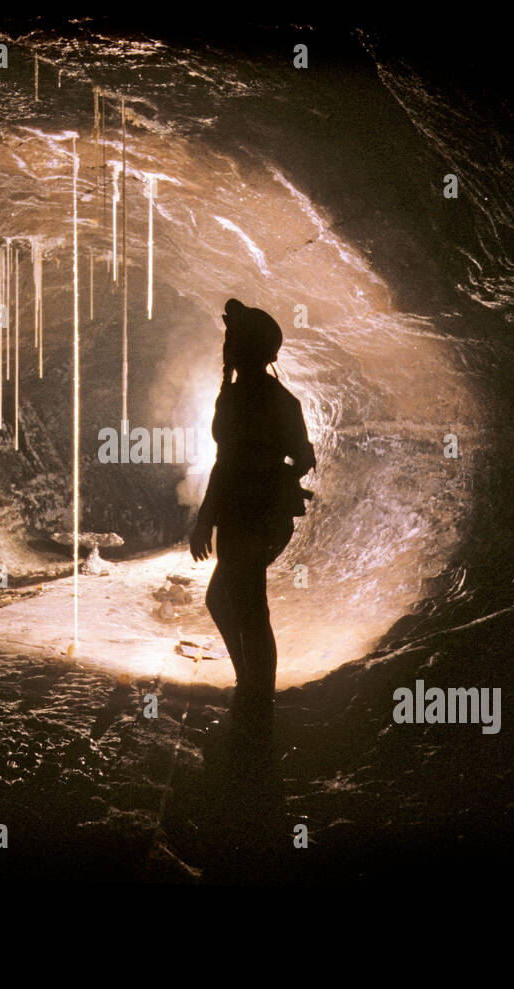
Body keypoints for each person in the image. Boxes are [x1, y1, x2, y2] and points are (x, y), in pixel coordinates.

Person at [190, 298, 316, 774]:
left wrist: (267, 468)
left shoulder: (269, 401)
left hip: (256, 517)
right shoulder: (246, 397)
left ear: (249, 351)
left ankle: (256, 700)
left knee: (239, 604)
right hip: (245, 516)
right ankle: (253, 692)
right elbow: (230, 462)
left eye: (234, 342)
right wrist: (207, 518)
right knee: (234, 603)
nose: (228, 348)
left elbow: (299, 455)